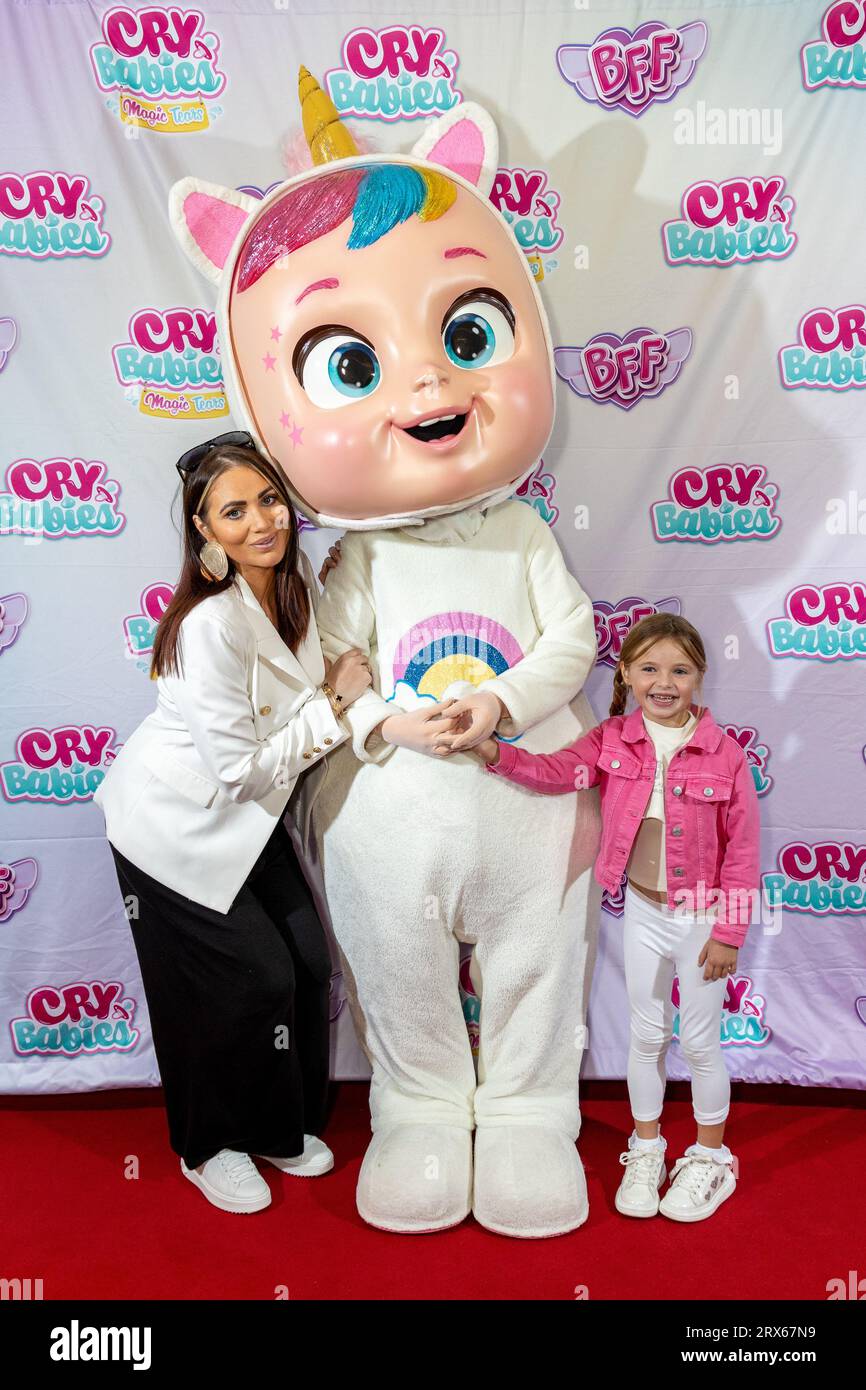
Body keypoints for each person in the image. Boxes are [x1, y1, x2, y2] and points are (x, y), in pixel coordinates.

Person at [94, 432, 374, 1214]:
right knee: (244, 979)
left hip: (248, 826)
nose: (261, 522)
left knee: (309, 966)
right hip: (171, 831)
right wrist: (338, 702)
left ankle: (277, 1126)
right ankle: (207, 1143)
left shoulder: (291, 591)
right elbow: (241, 768)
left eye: (269, 499)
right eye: (234, 511)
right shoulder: (207, 624)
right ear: (204, 532)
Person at [466, 613, 761, 1223]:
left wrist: (729, 933)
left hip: (704, 921)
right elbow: (555, 773)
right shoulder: (613, 740)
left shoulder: (724, 755)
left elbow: (744, 852)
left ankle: (710, 1158)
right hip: (644, 916)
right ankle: (646, 1147)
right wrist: (495, 752)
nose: (665, 681)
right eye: (649, 668)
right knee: (646, 1037)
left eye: (680, 670)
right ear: (624, 672)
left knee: (701, 1042)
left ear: (700, 678)